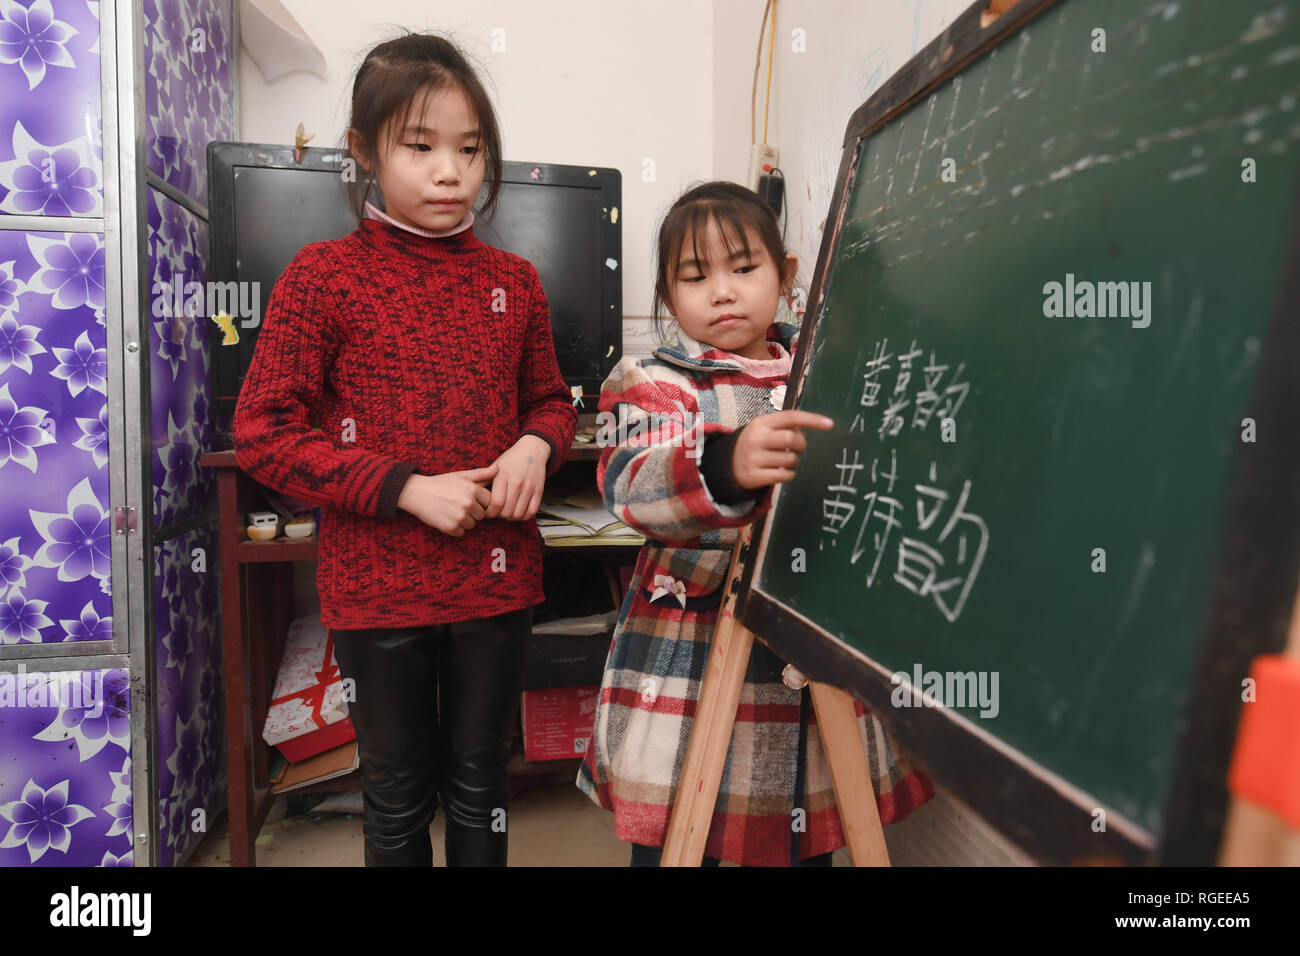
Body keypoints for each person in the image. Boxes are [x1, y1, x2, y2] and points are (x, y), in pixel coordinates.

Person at [233, 32, 577, 866]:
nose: (450, 171)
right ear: (364, 150)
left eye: (469, 148)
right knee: (395, 794)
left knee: (482, 785)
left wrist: (537, 445)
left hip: (496, 583)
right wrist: (406, 487)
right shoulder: (321, 277)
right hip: (377, 590)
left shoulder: (517, 282)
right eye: (420, 147)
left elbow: (551, 402)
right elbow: (262, 434)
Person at [576, 181, 933, 866]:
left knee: (804, 830)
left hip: (810, 667)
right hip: (690, 665)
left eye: (743, 268)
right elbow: (628, 483)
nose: (722, 291)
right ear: (668, 294)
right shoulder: (651, 381)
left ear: (786, 275)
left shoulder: (830, 370)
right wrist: (726, 463)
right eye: (695, 275)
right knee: (685, 836)